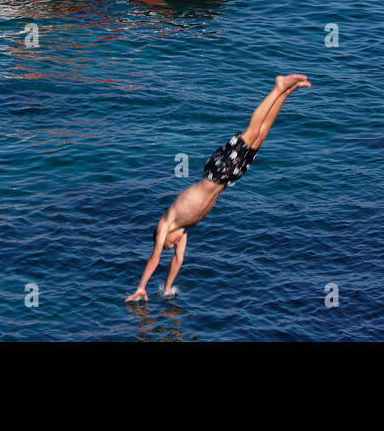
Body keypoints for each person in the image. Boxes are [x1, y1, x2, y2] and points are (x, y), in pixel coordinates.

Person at [125, 75, 311, 302]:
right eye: (170, 246)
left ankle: (278, 86)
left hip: (216, 172)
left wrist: (141, 287)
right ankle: (287, 92)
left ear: (160, 236)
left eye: (166, 244)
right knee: (261, 135)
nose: (171, 245)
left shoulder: (166, 223)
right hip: (229, 178)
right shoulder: (182, 231)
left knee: (251, 132)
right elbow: (178, 260)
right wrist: (167, 287)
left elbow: (154, 258)